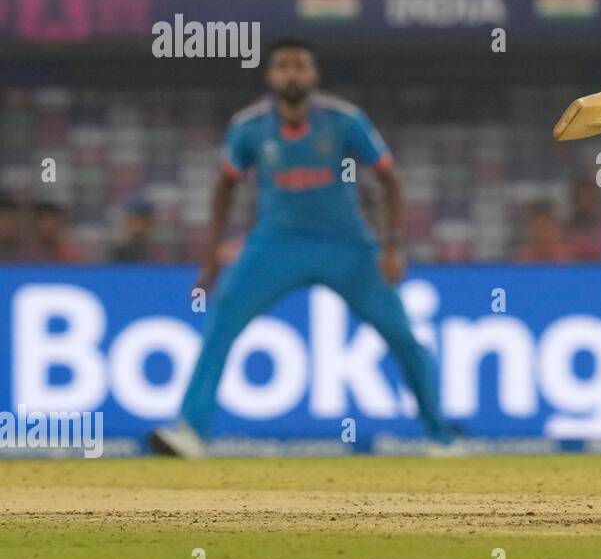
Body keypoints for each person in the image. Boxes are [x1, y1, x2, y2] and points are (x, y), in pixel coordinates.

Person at [148, 39, 456, 457]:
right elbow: (225, 186)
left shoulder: (345, 121)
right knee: (222, 322)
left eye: (300, 65)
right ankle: (190, 431)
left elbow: (390, 179)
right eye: (282, 66)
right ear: (270, 76)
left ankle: (440, 437)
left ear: (313, 75)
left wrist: (391, 246)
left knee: (402, 337)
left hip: (347, 246)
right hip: (275, 244)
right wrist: (212, 257)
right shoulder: (250, 127)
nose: (291, 73)